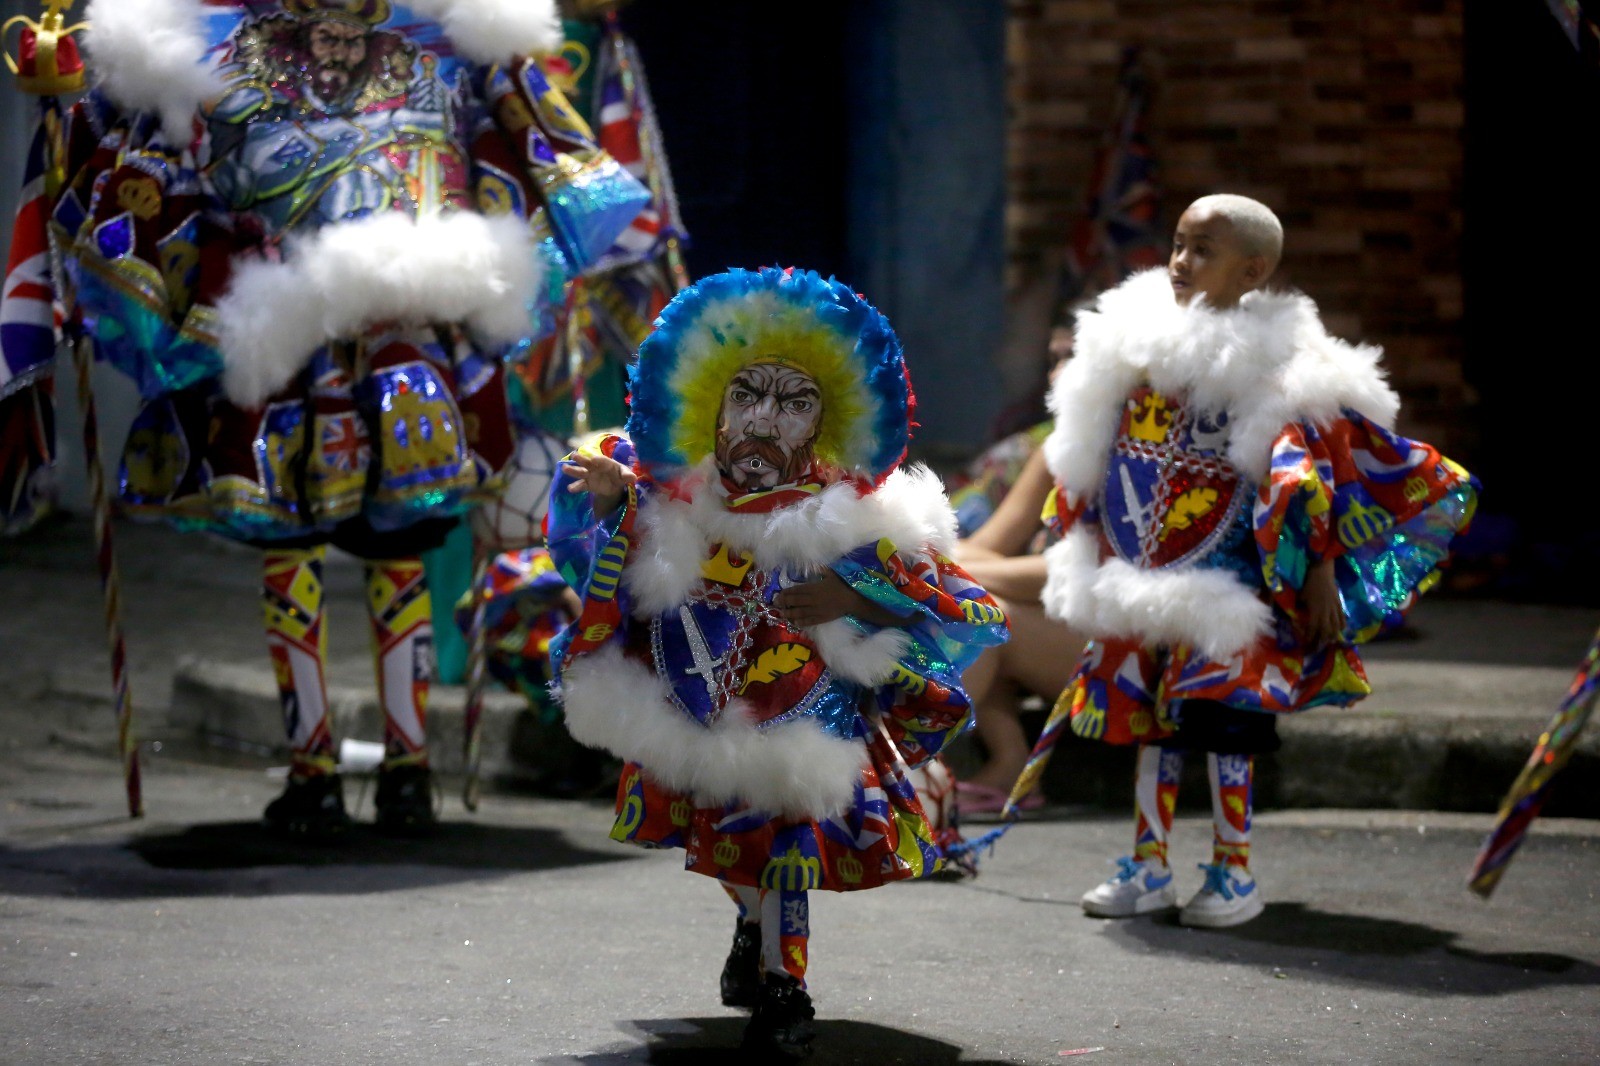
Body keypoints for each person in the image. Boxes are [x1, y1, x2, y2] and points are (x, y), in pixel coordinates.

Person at [48, 0, 644, 837]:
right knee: (287, 541)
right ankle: (315, 766)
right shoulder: (208, 39)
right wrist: (75, 97)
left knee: (397, 538)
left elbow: (521, 144)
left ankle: (406, 767)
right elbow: (144, 158)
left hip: (406, 328)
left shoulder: (447, 34)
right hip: (279, 321)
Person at [547, 267, 1007, 1057]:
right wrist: (613, 501)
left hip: (805, 701)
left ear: (829, 422)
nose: (763, 418)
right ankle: (751, 925)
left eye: (793, 402)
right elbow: (603, 562)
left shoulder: (855, 507)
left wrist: (851, 593)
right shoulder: (672, 488)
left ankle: (786, 986)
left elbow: (956, 595)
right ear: (710, 402)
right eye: (746, 394)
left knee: (790, 834)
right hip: (696, 703)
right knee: (731, 837)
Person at [1037, 194, 1476, 927]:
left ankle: (1233, 870)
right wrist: (1076, 527)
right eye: (1177, 244)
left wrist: (1322, 569)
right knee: (1152, 721)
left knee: (1225, 721)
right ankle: (1149, 865)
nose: (1179, 262)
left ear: (1254, 270)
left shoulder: (1278, 369)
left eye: (1201, 250)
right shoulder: (1130, 345)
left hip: (1228, 582)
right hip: (1139, 570)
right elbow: (1097, 452)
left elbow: (1306, 477)